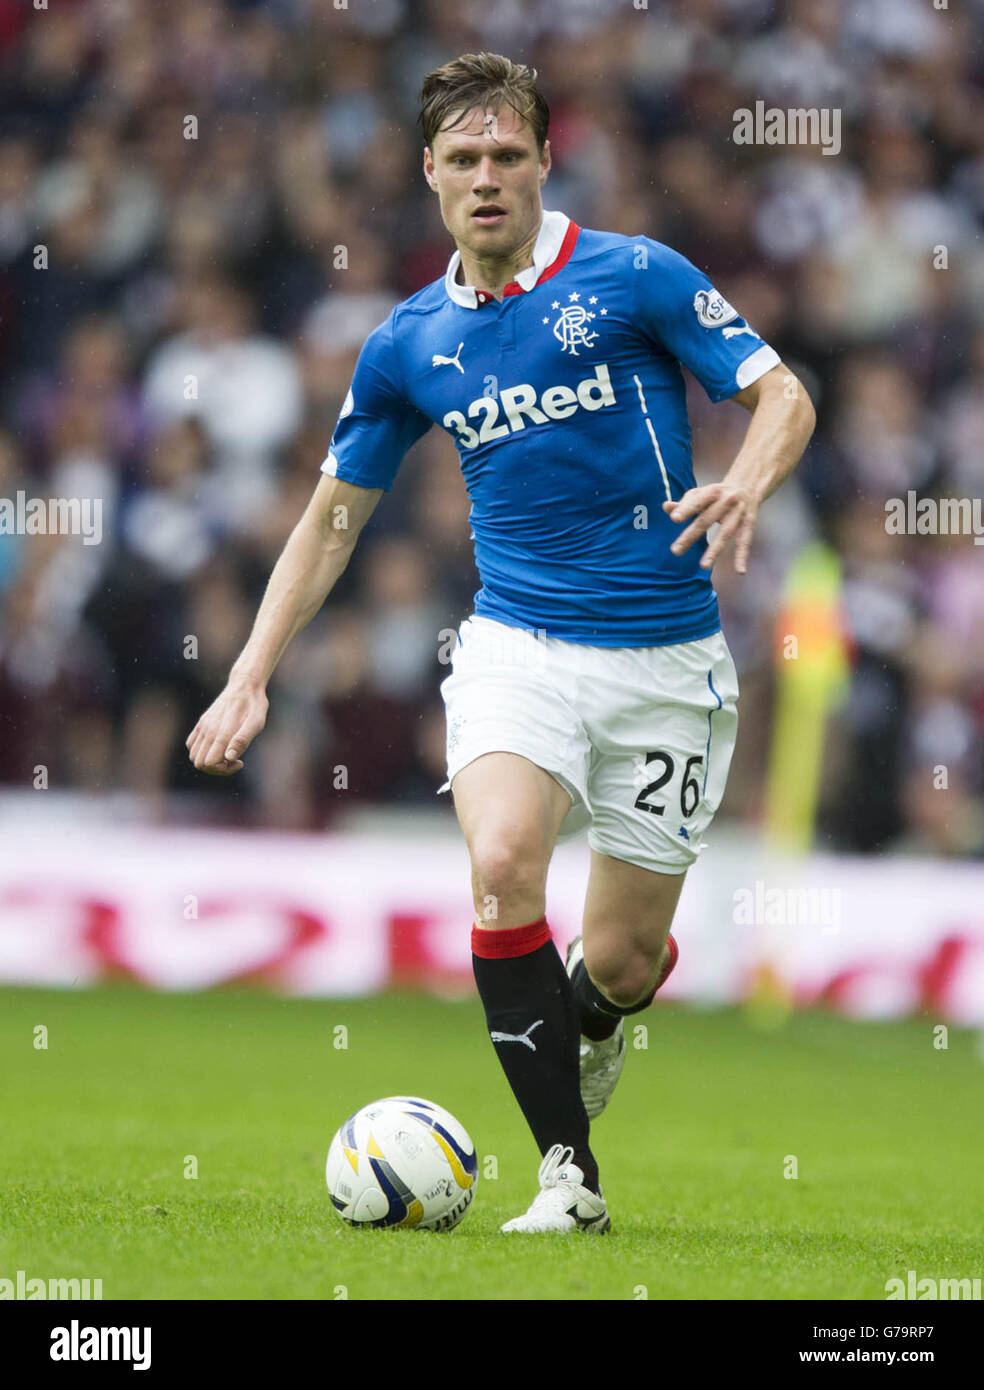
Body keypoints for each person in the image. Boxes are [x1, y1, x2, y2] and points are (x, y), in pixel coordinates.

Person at [186, 52, 816, 1234]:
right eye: (464, 159)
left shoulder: (635, 276)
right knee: (504, 863)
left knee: (625, 964)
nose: (487, 177)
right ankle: (568, 1179)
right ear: (429, 173)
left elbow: (784, 394)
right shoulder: (407, 343)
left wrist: (745, 480)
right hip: (515, 648)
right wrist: (248, 673)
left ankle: (597, 1013)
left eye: (508, 156)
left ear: (541, 164)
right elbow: (330, 524)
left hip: (669, 667)